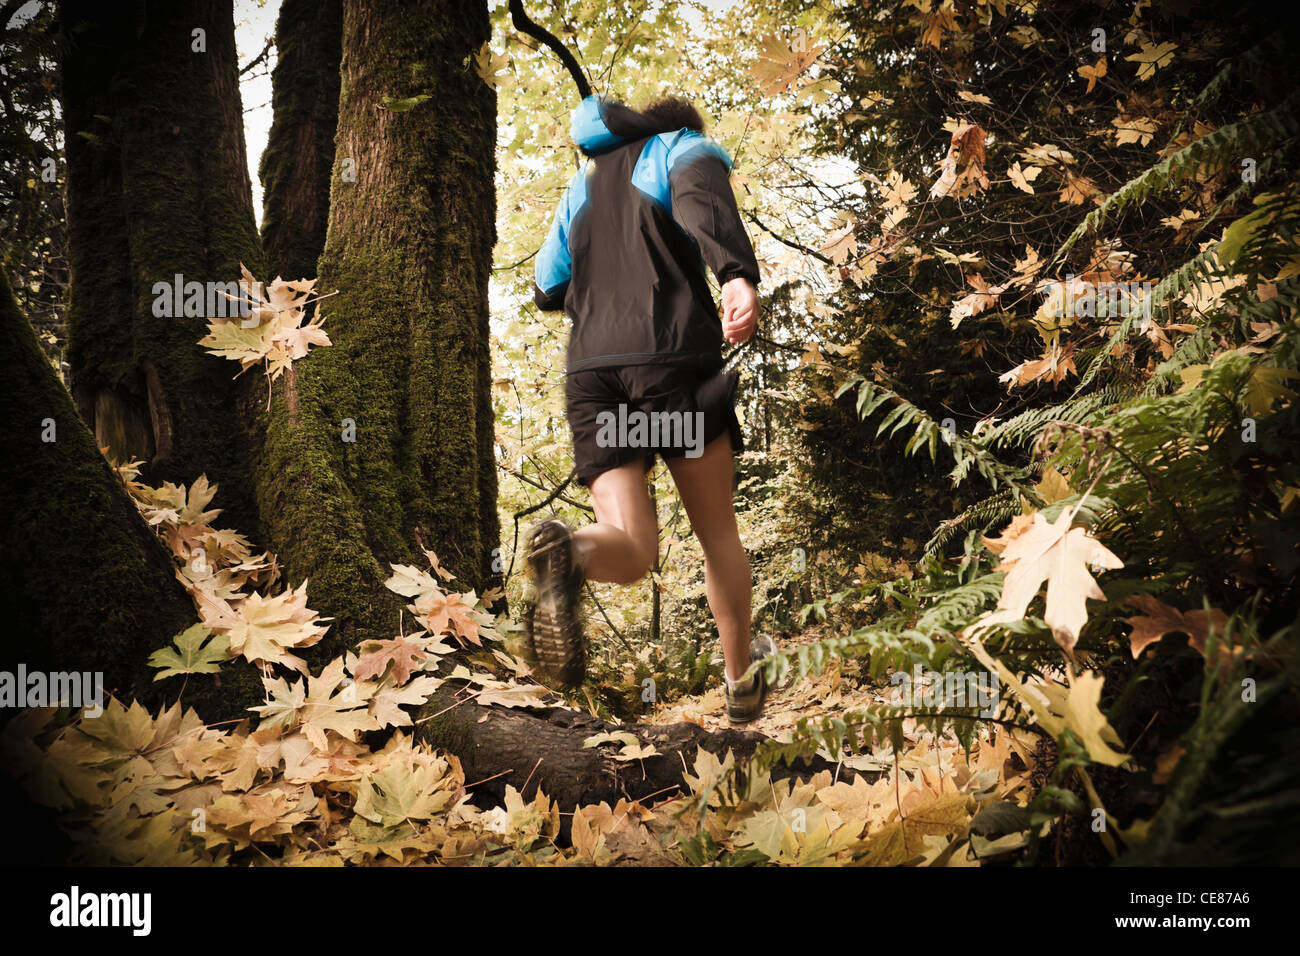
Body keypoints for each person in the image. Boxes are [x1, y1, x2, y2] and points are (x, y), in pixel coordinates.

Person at [525, 92, 774, 724]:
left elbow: (547, 286)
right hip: (670, 363)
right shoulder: (679, 148)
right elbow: (702, 203)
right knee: (718, 533)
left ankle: (569, 552)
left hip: (591, 373)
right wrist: (735, 275)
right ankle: (741, 686)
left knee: (632, 549)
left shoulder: (582, 185)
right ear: (683, 125)